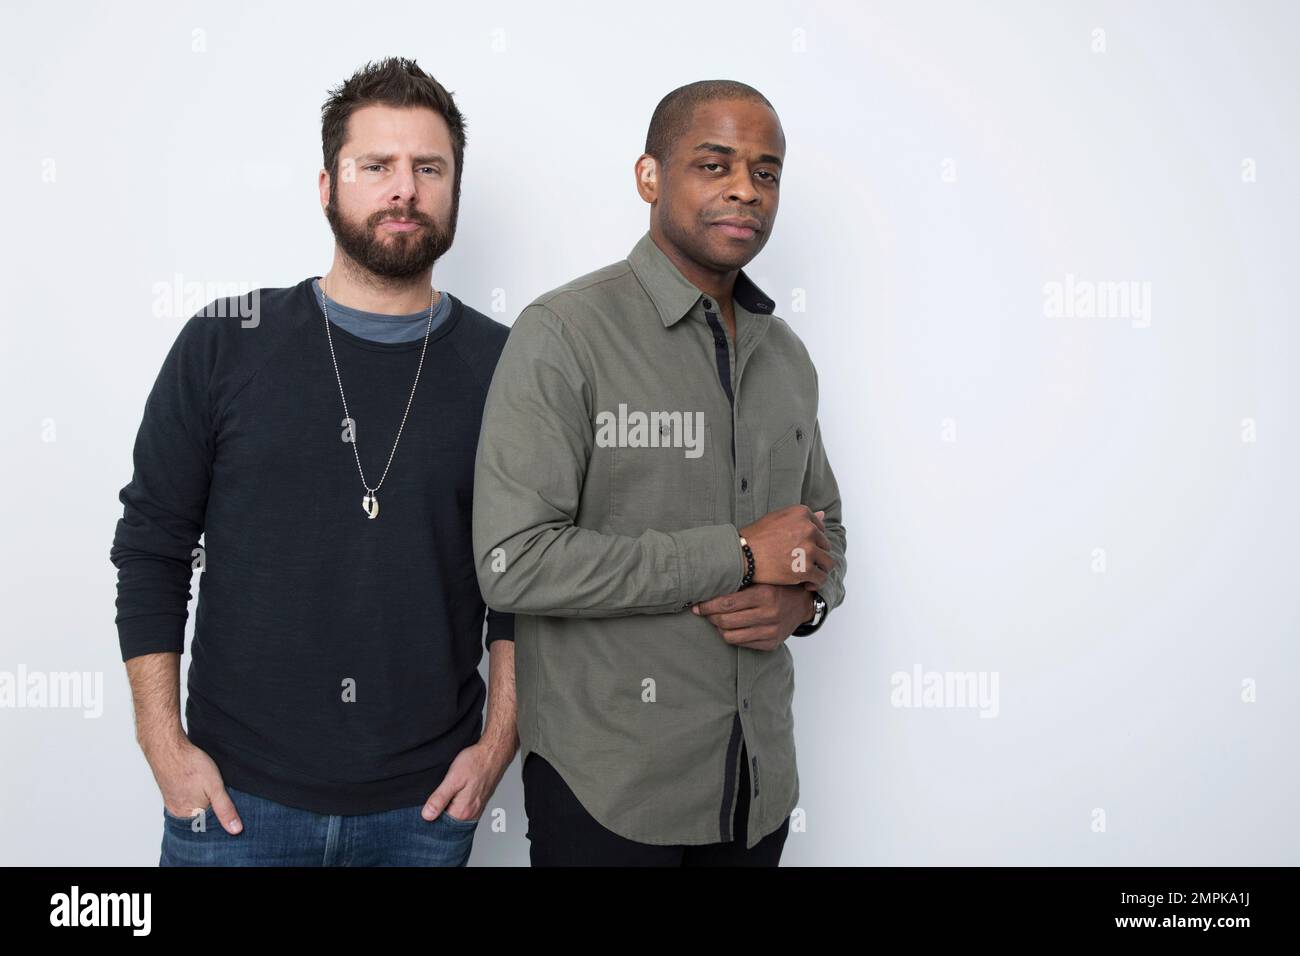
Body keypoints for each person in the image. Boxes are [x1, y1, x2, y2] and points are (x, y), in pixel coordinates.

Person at [110, 57, 516, 866]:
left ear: (454, 192)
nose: (403, 189)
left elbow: (524, 584)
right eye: (377, 167)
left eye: (428, 169)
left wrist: (498, 743)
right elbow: (152, 548)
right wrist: (165, 747)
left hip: (424, 808)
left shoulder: (508, 368)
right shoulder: (225, 341)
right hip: (234, 801)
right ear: (328, 186)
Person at [473, 79, 847, 866]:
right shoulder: (562, 333)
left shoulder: (787, 358)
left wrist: (801, 599)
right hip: (610, 792)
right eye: (715, 164)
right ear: (650, 177)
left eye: (767, 172)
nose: (747, 188)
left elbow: (823, 530)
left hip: (756, 789)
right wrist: (739, 554)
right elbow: (514, 563)